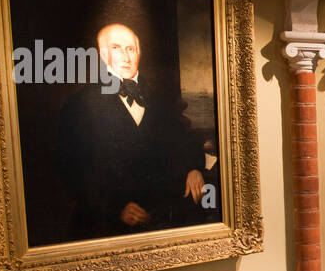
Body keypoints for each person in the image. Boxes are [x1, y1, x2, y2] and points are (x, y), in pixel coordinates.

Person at [55, 22, 210, 240]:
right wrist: (116, 208)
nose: (126, 56)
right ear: (102, 54)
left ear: (139, 52)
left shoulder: (160, 103)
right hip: (105, 226)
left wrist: (194, 168)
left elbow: (186, 142)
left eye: (131, 49)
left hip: (162, 222)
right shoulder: (79, 104)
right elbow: (70, 170)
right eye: (117, 48)